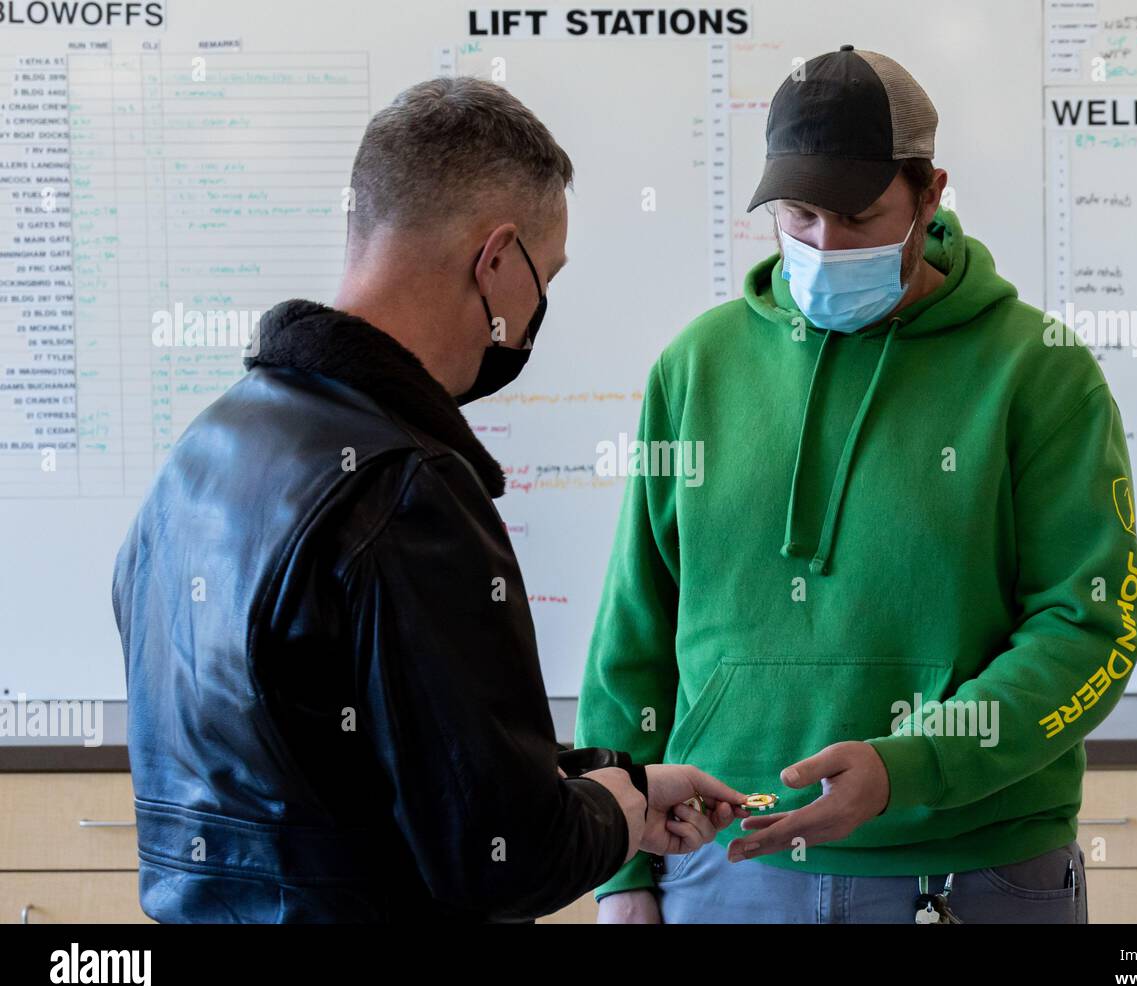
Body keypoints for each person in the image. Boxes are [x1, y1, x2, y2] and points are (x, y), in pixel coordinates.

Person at [113, 77, 746, 924]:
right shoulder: (404, 487)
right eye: (543, 279)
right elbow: (504, 856)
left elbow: (372, 768)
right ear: (495, 257)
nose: (535, 319)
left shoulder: (201, 456)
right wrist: (617, 814)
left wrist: (621, 782)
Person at [576, 46, 1137, 923]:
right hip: (723, 863)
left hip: (973, 868)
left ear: (930, 193)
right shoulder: (695, 366)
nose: (825, 245)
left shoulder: (1041, 372)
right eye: (799, 215)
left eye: (859, 216)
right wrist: (619, 871)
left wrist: (911, 763)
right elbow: (634, 630)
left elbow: (1090, 627)